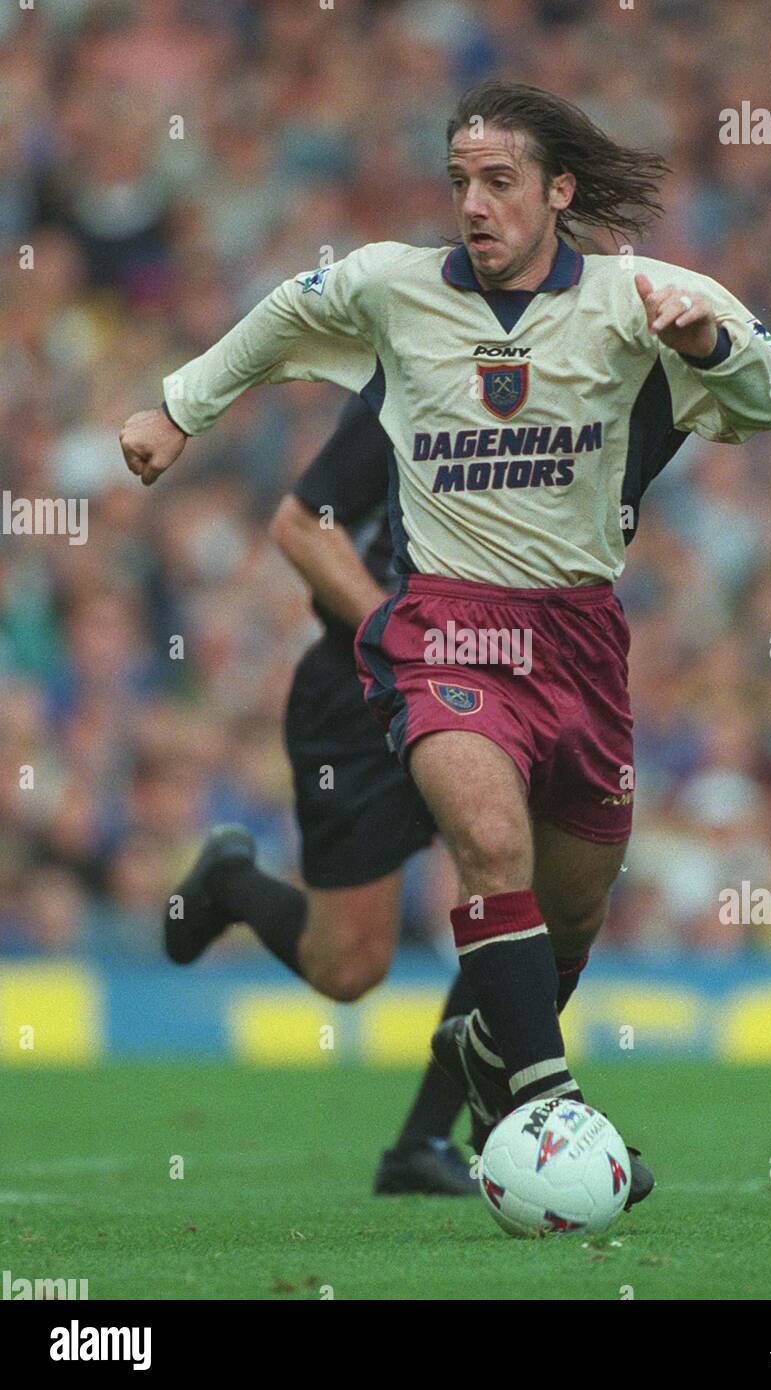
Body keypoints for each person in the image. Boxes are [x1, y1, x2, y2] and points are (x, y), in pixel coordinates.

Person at [121, 80, 771, 1210]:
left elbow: (769, 394)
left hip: (573, 643)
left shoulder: (643, 315)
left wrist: (717, 339)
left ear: (559, 192)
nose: (472, 205)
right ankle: (542, 1111)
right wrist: (177, 409)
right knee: (487, 848)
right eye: (459, 183)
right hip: (421, 636)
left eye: (498, 182)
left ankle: (461, 1082)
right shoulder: (403, 314)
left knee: (556, 909)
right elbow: (290, 390)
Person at [164, 395, 475, 1196]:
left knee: (533, 890)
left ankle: (441, 1139)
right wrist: (402, 644)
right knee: (349, 968)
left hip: (500, 680)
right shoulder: (417, 375)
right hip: (365, 690)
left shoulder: (583, 377)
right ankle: (230, 881)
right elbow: (304, 522)